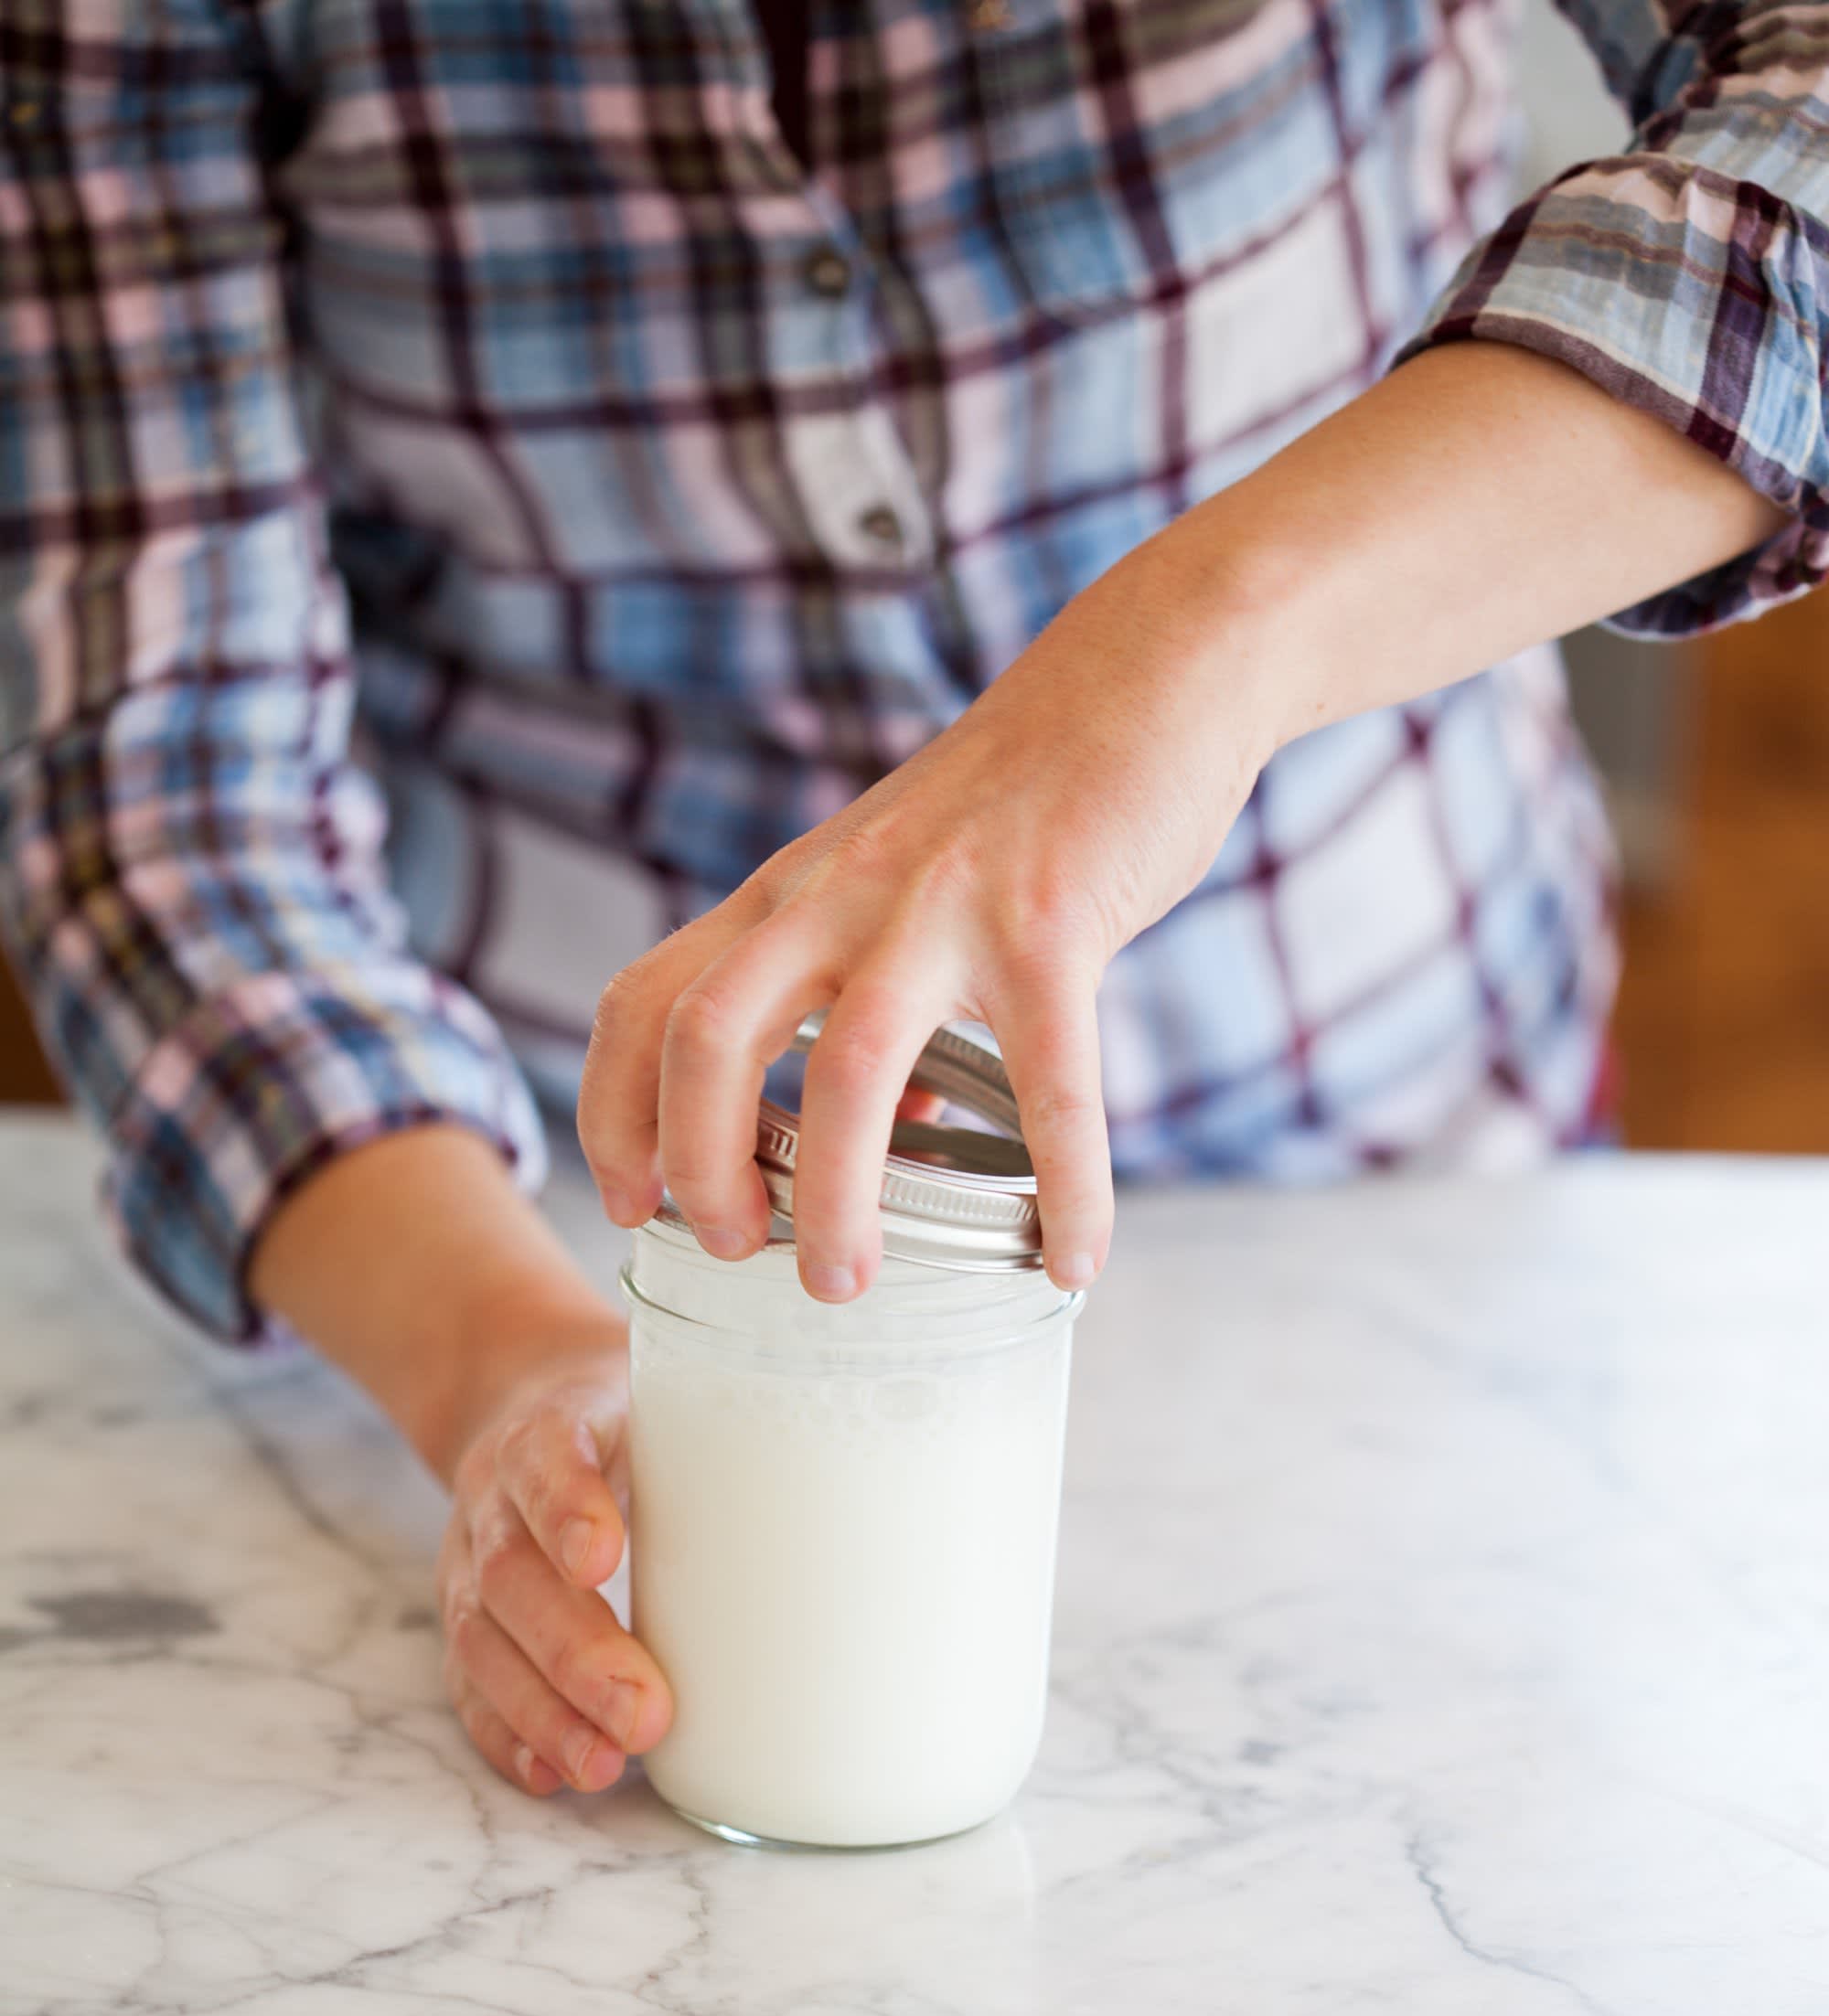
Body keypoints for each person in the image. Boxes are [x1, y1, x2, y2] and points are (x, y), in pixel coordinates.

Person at [3, 0, 1824, 1797]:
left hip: (1383, 1127)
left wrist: (1190, 656)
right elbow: (163, 786)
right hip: (582, 1196)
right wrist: (509, 1370)